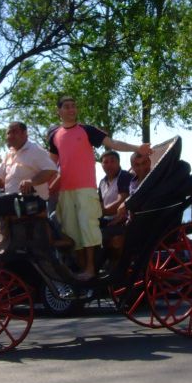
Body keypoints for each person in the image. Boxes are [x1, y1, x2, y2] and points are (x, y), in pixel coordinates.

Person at [47, 95, 150, 280]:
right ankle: (80, 271)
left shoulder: (86, 130)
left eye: (73, 106)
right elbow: (50, 165)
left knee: (88, 230)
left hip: (85, 189)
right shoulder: (54, 135)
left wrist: (138, 148)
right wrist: (40, 186)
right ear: (59, 111)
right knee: (71, 231)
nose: (71, 110)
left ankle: (90, 270)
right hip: (65, 191)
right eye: (67, 107)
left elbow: (113, 144)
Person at [0, 121, 58, 255]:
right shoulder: (10, 154)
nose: (10, 135)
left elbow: (51, 170)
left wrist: (32, 182)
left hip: (33, 201)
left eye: (14, 132)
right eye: (8, 133)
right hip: (15, 201)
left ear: (25, 133)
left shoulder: (35, 150)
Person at [98, 150, 133, 222]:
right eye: (105, 162)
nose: (109, 165)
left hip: (123, 220)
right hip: (105, 219)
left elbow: (122, 200)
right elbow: (100, 204)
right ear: (101, 165)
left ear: (119, 162)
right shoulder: (102, 182)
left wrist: (100, 213)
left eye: (112, 161)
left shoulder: (124, 176)